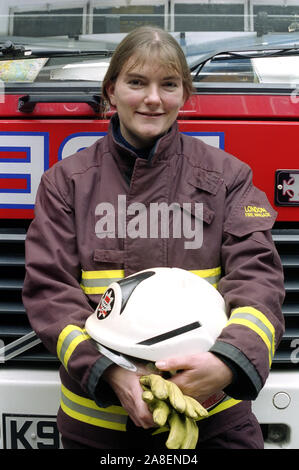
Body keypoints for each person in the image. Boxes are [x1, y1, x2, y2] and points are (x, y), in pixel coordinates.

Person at [22, 26, 285, 450]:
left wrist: (226, 362)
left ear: (185, 94)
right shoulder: (65, 183)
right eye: (136, 83)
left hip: (213, 422)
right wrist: (110, 374)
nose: (153, 99)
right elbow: (50, 293)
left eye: (168, 85)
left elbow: (259, 281)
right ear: (111, 90)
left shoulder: (228, 178)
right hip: (98, 427)